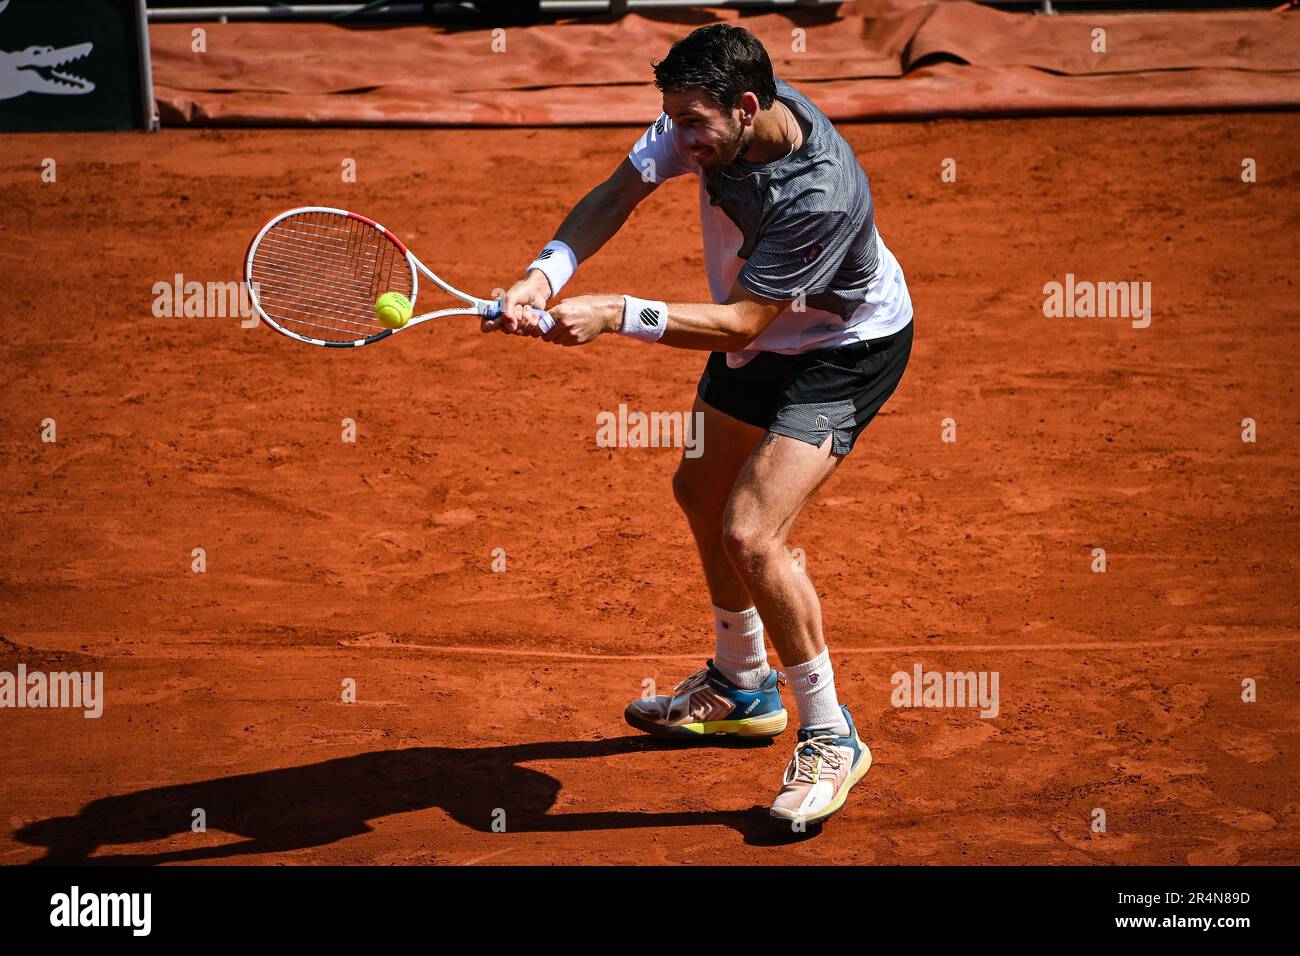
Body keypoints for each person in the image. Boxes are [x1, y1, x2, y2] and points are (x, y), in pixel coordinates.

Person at [489, 22, 913, 826]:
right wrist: (541, 276)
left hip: (841, 349)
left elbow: (744, 321)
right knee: (700, 490)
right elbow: (618, 191)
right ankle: (742, 684)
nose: (680, 139)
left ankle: (831, 733)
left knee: (752, 533)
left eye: (694, 125)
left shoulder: (817, 191)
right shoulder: (702, 119)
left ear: (748, 107)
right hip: (759, 338)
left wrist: (616, 312)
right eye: (674, 120)